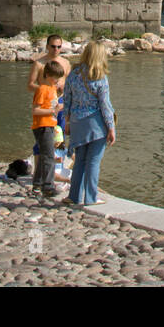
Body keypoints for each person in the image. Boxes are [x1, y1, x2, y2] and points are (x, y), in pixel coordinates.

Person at [62, 41, 116, 206]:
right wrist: (111, 128)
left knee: (79, 161)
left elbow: (67, 100)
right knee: (93, 162)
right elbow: (105, 106)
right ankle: (91, 197)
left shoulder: (73, 74)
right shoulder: (100, 77)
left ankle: (74, 196)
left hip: (78, 123)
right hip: (96, 125)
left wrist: (67, 121)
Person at [30, 60, 65, 197]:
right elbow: (35, 110)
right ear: (48, 75)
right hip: (42, 126)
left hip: (50, 125)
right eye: (56, 77)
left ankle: (37, 185)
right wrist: (53, 111)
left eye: (59, 77)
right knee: (49, 156)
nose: (57, 80)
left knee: (45, 155)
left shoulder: (52, 90)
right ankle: (48, 186)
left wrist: (59, 108)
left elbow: (53, 106)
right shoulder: (42, 89)